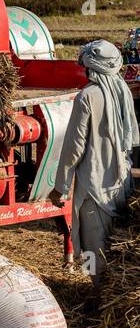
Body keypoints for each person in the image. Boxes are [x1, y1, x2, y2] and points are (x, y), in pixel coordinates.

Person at [49, 39, 138, 296]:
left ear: (91, 68)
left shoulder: (87, 96)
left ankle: (99, 300)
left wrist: (61, 187)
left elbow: (74, 148)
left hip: (94, 186)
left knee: (92, 248)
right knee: (114, 245)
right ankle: (111, 298)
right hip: (121, 183)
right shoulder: (123, 91)